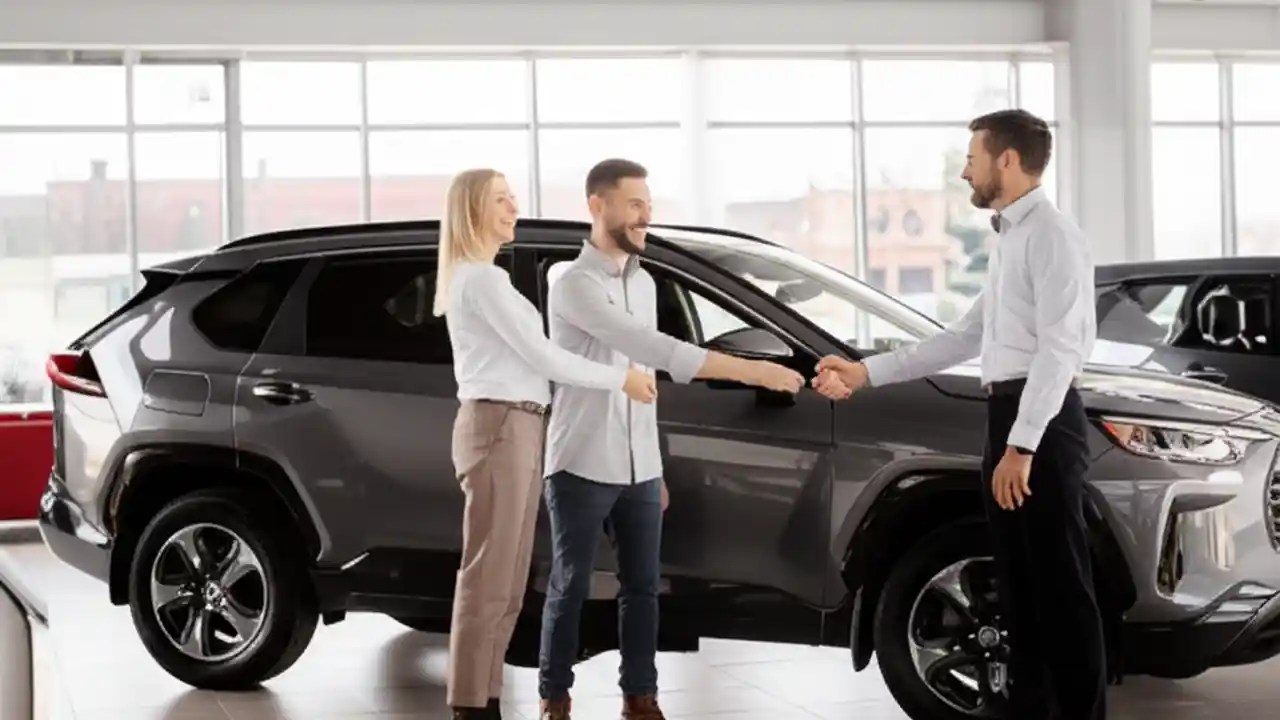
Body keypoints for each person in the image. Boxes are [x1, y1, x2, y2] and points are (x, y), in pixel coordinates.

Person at [813, 110, 1106, 720]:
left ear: (1006, 160)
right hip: (1010, 416)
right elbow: (962, 337)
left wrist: (1022, 447)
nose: (965, 169)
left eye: (972, 157)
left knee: (1060, 587)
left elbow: (1062, 349)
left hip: (1042, 426)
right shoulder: (1011, 238)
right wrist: (867, 371)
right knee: (1019, 587)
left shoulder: (1052, 234)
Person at [536, 158, 805, 720]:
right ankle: (554, 698)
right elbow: (655, 349)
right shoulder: (572, 283)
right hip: (581, 460)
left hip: (637, 467)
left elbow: (646, 381)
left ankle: (640, 697)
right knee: (570, 585)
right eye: (634, 204)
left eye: (649, 206)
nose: (645, 216)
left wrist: (652, 468)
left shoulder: (647, 282)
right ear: (597, 206)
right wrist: (757, 371)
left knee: (643, 588)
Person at [433, 168, 661, 720]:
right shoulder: (481, 281)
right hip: (501, 425)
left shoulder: (484, 277)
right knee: (489, 577)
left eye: (513, 196)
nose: (514, 206)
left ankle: (485, 698)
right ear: (471, 211)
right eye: (500, 200)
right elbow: (545, 358)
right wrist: (619, 378)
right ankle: (471, 704)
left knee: (508, 581)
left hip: (519, 425)